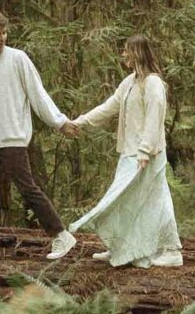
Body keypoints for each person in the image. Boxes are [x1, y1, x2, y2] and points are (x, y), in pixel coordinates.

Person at [0, 12, 78, 261]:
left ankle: (62, 236)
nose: (2, 38)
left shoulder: (18, 59)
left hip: (12, 139)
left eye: (4, 33)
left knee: (28, 189)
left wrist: (59, 121)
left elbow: (38, 94)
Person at [63, 36, 183, 269]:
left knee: (158, 199)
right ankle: (120, 246)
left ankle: (172, 250)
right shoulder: (129, 82)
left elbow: (154, 118)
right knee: (121, 200)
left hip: (147, 155)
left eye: (127, 51)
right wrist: (81, 121)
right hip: (129, 153)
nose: (123, 55)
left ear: (137, 53)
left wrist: (145, 151)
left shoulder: (153, 84)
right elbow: (108, 107)